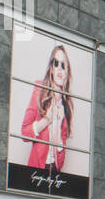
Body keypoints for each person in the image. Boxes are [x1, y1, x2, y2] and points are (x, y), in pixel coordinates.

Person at [21, 42, 74, 174]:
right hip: (36, 168)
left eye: (64, 65)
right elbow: (24, 133)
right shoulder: (40, 90)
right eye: (56, 63)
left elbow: (60, 162)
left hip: (54, 171)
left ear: (67, 72)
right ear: (51, 68)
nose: (60, 69)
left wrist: (60, 125)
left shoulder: (66, 104)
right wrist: (46, 120)